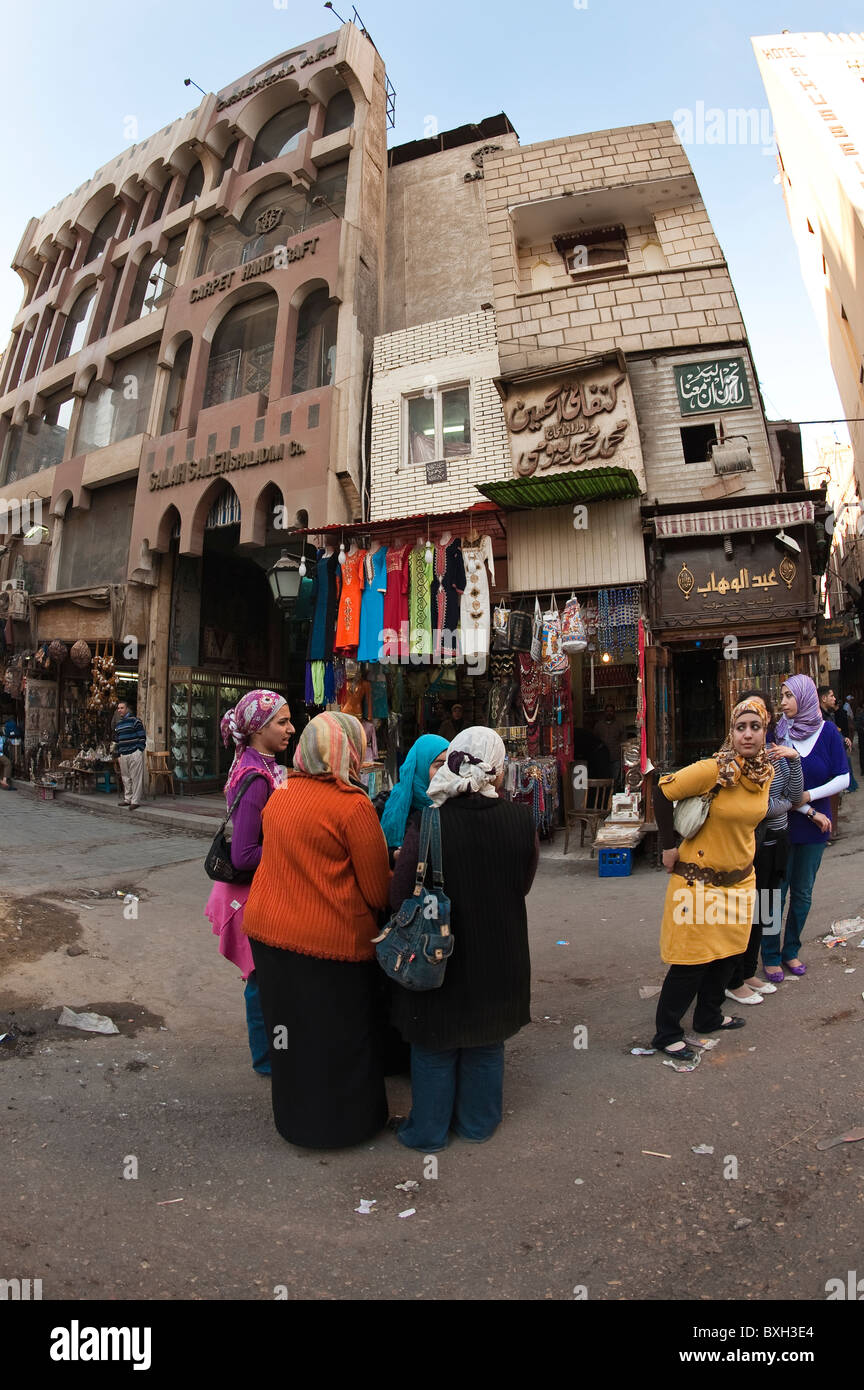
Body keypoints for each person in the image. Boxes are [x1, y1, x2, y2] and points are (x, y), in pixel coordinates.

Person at [242, 712, 392, 1148]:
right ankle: (347, 1126)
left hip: (270, 936)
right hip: (330, 946)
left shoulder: (282, 792)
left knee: (291, 1036)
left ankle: (295, 1122)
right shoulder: (353, 804)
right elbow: (377, 889)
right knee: (341, 1036)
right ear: (346, 749)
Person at [388, 727, 538, 1151]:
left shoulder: (430, 820)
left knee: (435, 1043)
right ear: (496, 767)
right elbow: (522, 882)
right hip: (500, 949)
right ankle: (477, 1125)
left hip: (438, 952)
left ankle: (428, 1132)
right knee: (486, 1040)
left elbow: (400, 895)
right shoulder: (520, 819)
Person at [650, 696, 774, 1060]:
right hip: (697, 882)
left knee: (727, 956)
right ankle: (667, 1033)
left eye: (755, 727)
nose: (747, 735)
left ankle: (708, 1016)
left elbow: (752, 819)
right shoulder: (712, 769)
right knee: (691, 961)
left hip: (739, 881)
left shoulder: (764, 775)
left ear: (765, 732)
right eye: (740, 727)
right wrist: (667, 846)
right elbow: (661, 789)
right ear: (731, 732)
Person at [204, 689, 294, 1077]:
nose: (291, 728)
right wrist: (290, 856)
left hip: (255, 891)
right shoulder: (257, 776)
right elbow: (243, 854)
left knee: (268, 977)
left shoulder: (263, 763)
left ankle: (274, 1051)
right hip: (248, 894)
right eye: (282, 722)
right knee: (261, 979)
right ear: (258, 729)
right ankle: (266, 1059)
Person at [763, 675, 848, 982]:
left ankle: (791, 951)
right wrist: (808, 809)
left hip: (815, 827)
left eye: (788, 695)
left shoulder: (828, 733)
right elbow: (777, 790)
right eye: (781, 695)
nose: (782, 701)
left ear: (805, 697)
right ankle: (769, 955)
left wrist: (809, 797)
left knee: (802, 893)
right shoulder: (779, 735)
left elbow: (843, 778)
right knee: (775, 893)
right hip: (782, 824)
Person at [725, 692, 803, 1005]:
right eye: (743, 722)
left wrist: (793, 760)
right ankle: (733, 979)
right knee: (743, 914)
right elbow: (755, 807)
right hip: (749, 847)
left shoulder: (776, 755)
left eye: (757, 721)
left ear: (766, 721)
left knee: (766, 911)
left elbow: (796, 796)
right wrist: (782, 804)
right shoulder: (735, 761)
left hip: (776, 843)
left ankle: (748, 971)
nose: (750, 731)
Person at [377, 734, 448, 856]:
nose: (445, 773)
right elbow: (373, 853)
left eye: (449, 766)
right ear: (421, 767)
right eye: (439, 765)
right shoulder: (385, 805)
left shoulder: (453, 805)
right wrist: (393, 855)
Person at [114, 701, 146, 809]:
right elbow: (118, 740)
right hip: (123, 754)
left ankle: (135, 801)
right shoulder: (118, 724)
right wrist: (119, 755)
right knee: (125, 778)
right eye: (118, 708)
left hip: (134, 752)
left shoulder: (135, 721)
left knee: (136, 778)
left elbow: (142, 737)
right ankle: (127, 799)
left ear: (127, 709)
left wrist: (139, 750)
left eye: (122, 708)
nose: (120, 710)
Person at [594, 704, 625, 788]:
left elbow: (623, 741)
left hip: (616, 756)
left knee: (615, 780)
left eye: (611, 711)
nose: (609, 713)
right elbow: (595, 741)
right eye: (607, 711)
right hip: (603, 758)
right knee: (604, 779)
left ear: (614, 712)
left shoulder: (619, 724)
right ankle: (606, 798)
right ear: (604, 712)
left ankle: (614, 797)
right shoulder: (599, 725)